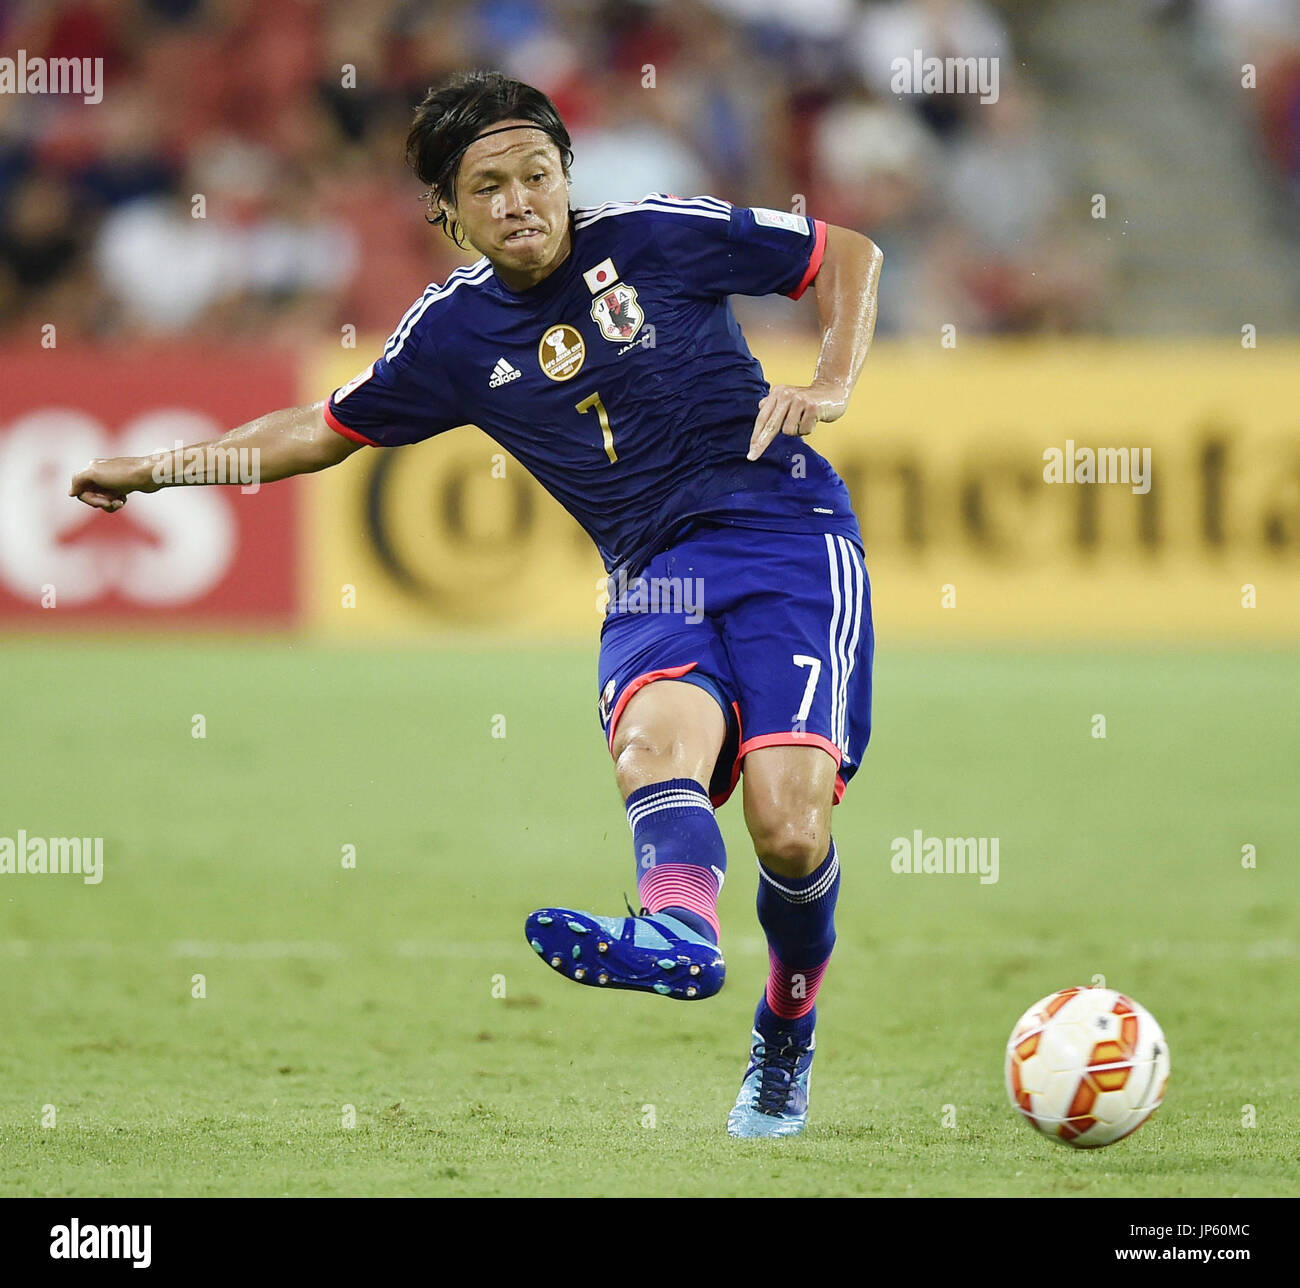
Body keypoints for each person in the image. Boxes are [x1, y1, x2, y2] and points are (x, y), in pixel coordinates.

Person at [69, 70, 883, 1138]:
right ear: (445, 213)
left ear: (566, 175)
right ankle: (679, 930)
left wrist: (828, 379)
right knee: (652, 741)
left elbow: (845, 254)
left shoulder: (653, 234)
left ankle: (784, 1031)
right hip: (650, 572)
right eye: (489, 186)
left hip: (784, 537)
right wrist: (164, 469)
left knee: (786, 825)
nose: (519, 201)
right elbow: (318, 429)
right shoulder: (449, 337)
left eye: (536, 175)